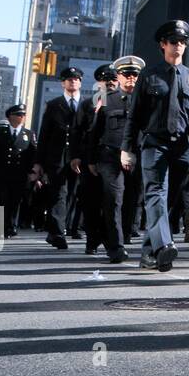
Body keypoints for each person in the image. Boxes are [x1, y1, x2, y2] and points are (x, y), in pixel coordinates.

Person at [123, 20, 189, 272]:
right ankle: (164, 245)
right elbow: (134, 115)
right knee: (156, 194)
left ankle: (148, 254)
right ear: (163, 45)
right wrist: (127, 148)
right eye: (174, 42)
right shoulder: (149, 75)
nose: (179, 46)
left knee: (169, 201)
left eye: (183, 42)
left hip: (184, 147)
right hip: (155, 144)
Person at [87, 56, 143, 263]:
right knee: (113, 200)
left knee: (133, 202)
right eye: (126, 74)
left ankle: (119, 234)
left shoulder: (146, 100)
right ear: (118, 76)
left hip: (138, 156)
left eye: (135, 75)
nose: (131, 78)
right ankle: (116, 247)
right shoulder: (106, 100)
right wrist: (91, 160)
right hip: (110, 157)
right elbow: (95, 132)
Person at [34, 66, 88, 250]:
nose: (72, 81)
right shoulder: (54, 104)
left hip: (79, 158)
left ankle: (56, 229)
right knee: (59, 194)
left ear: (81, 82)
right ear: (63, 83)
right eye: (68, 78)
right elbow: (44, 135)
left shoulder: (87, 105)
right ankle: (58, 233)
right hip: (57, 158)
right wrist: (39, 162)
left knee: (74, 194)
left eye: (76, 78)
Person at [79, 65, 117, 254]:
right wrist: (76, 157)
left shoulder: (124, 103)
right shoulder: (88, 104)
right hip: (89, 159)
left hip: (112, 159)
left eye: (113, 78)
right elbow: (77, 132)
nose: (110, 82)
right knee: (90, 202)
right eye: (105, 79)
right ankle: (92, 239)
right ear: (99, 82)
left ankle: (111, 241)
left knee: (111, 201)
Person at [0, 105, 36, 236]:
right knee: (1, 200)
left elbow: (33, 154)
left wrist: (33, 171)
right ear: (10, 116)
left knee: (15, 201)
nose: (21, 117)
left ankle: (11, 226)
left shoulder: (29, 134)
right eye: (18, 114)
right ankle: (0, 226)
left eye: (23, 115)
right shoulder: (0, 133)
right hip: (2, 173)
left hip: (19, 174)